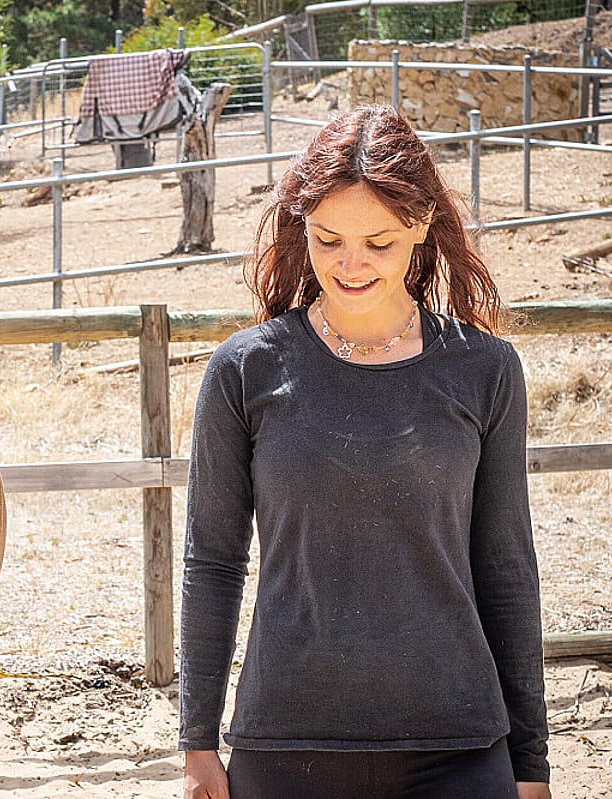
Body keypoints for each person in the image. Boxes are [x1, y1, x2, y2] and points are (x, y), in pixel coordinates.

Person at [178, 105, 551, 799]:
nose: (349, 265)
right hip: (284, 746)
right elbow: (213, 559)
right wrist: (197, 739)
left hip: (461, 747)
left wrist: (531, 762)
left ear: (419, 226)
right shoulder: (243, 371)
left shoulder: (487, 370)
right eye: (328, 239)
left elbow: (506, 568)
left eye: (378, 242)